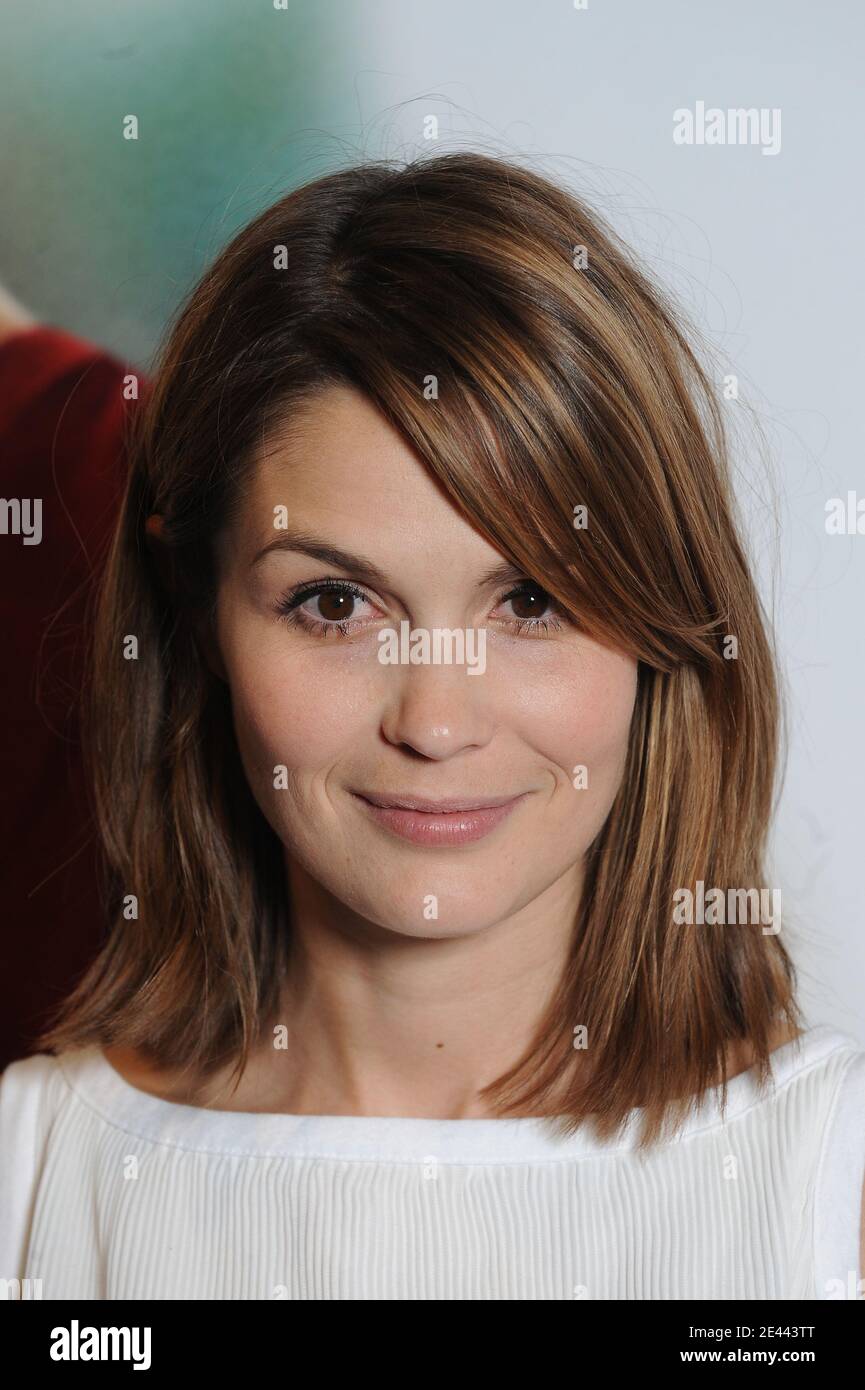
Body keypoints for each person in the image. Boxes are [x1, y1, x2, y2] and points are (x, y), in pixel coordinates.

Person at [0, 152, 863, 1301]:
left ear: (661, 623)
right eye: (335, 604)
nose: (438, 719)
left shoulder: (831, 1195)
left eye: (532, 602)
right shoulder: (31, 1184)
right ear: (197, 616)